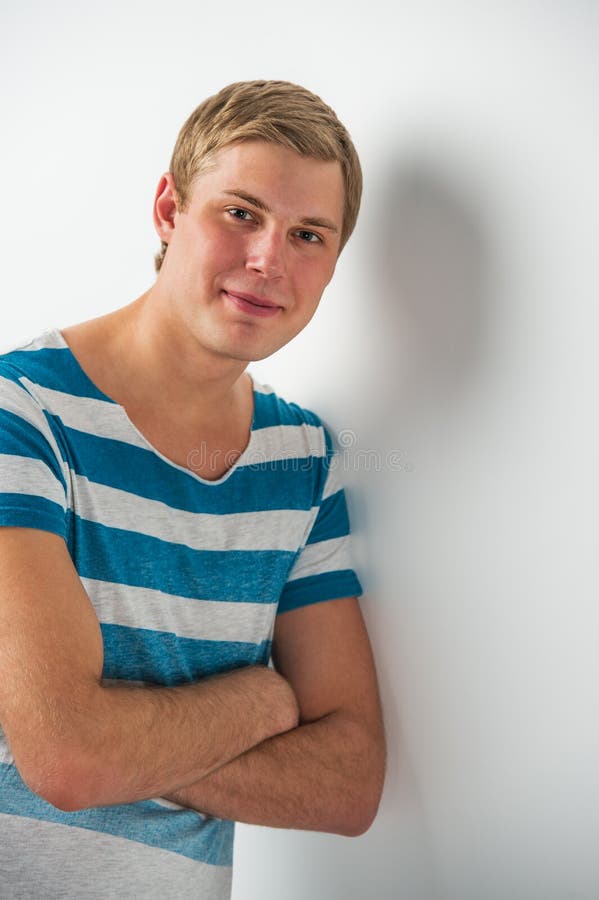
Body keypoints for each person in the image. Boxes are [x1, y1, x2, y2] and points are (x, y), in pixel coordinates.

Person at [0, 79, 385, 898]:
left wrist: (119, 740)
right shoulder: (20, 415)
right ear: (170, 209)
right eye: (240, 213)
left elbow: (349, 784)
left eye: (308, 234)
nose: (267, 260)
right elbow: (69, 760)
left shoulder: (303, 460)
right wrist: (260, 701)